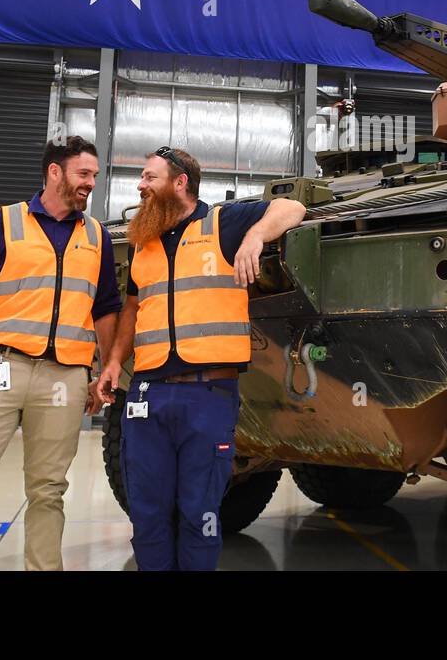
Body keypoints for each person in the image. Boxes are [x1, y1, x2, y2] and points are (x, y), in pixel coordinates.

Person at [96, 145, 306, 571]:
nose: (140, 185)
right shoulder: (142, 242)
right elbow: (133, 309)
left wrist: (256, 236)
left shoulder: (221, 225)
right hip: (147, 395)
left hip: (207, 394)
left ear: (180, 184)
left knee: (201, 514)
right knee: (147, 513)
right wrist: (115, 361)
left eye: (149, 178)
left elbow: (292, 206)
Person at [0, 136, 121, 571]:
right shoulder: (2, 224)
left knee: (49, 490)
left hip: (64, 378)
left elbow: (105, 308)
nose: (91, 183)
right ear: (55, 173)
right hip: (0, 367)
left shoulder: (97, 237)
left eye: (95, 175)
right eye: (83, 174)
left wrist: (105, 367)